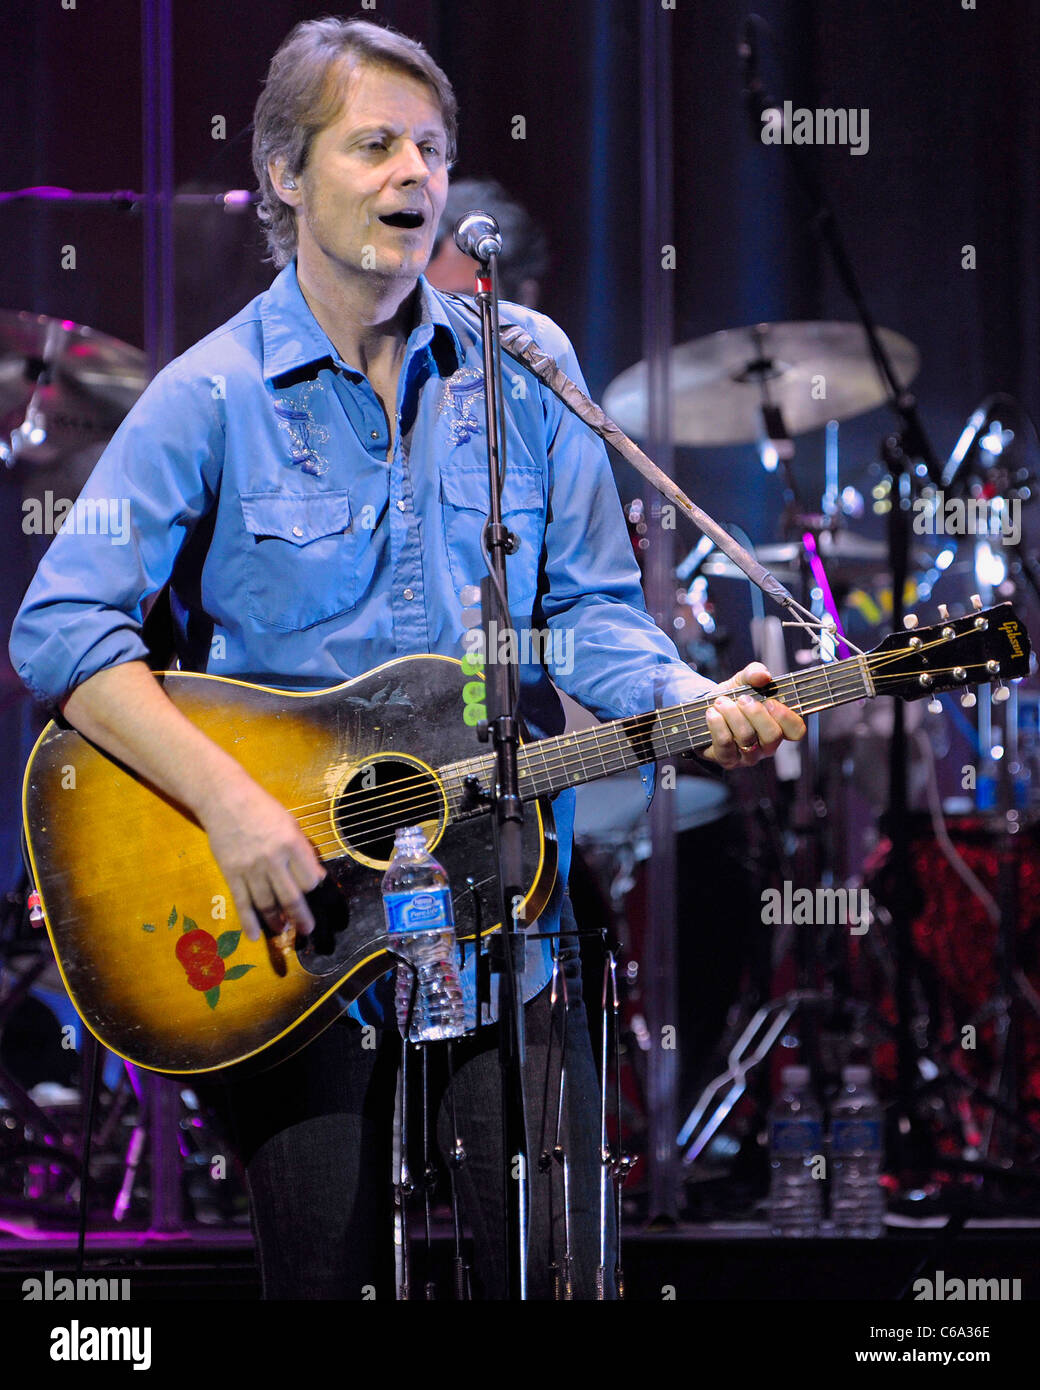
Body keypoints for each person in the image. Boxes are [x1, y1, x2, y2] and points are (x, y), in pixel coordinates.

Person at [9, 17, 805, 1299]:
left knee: (557, 1279)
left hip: (509, 914)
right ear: (282, 173)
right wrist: (233, 804)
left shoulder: (525, 365)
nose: (413, 177)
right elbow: (59, 629)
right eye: (372, 145)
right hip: (297, 934)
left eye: (429, 149)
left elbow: (594, 613)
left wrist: (688, 698)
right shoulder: (208, 396)